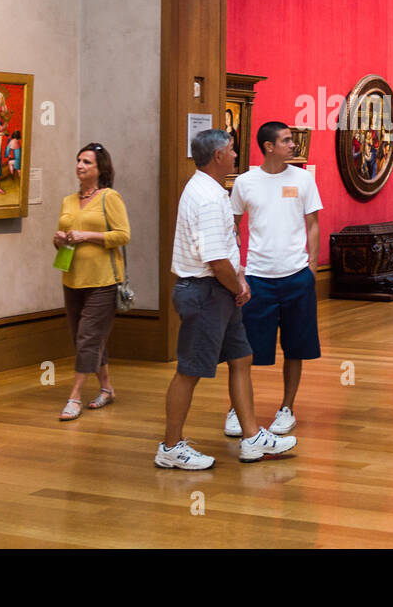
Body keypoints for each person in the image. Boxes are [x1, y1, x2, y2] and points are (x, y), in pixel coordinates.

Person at [156, 129, 297, 469]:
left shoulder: (212, 190)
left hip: (220, 290)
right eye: (232, 150)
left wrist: (240, 277)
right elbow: (216, 260)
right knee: (189, 371)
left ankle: (251, 438)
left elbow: (226, 252)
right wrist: (238, 287)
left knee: (241, 358)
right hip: (205, 293)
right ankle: (170, 447)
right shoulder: (204, 196)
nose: (236, 155)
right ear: (218, 156)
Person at [225, 121, 322, 439]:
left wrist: (312, 266)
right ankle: (238, 410)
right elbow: (233, 224)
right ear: (269, 147)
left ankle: (287, 408)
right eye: (287, 140)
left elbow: (313, 224)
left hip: (296, 277)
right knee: (246, 349)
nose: (293, 145)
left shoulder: (303, 179)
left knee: (296, 346)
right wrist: (238, 268)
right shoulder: (245, 182)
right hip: (257, 279)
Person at [53, 143, 129, 421]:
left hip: (104, 280)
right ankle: (107, 388)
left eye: (86, 162)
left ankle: (74, 396)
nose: (80, 166)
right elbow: (61, 236)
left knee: (87, 336)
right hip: (72, 276)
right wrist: (58, 239)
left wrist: (87, 236)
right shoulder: (68, 201)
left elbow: (123, 235)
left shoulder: (110, 197)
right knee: (83, 336)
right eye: (78, 161)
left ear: (100, 169)